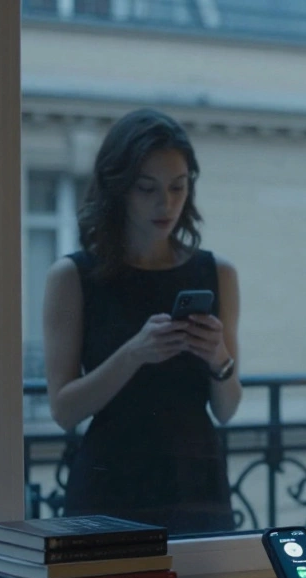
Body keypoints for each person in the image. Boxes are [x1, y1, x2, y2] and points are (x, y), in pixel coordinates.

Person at [42, 108, 243, 535]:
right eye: (147, 188)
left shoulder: (218, 273)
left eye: (178, 187)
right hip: (109, 483)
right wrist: (134, 353)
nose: (165, 203)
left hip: (197, 482)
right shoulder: (73, 276)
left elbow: (227, 409)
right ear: (118, 189)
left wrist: (219, 357)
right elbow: (63, 410)